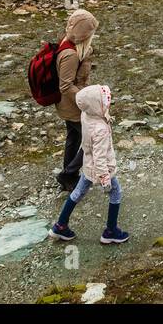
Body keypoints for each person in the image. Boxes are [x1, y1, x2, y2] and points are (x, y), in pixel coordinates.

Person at [50, 84, 129, 244]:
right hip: (102, 168)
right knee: (116, 192)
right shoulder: (100, 129)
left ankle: (60, 226)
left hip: (87, 164)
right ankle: (111, 231)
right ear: (96, 105)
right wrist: (105, 177)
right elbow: (100, 157)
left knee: (78, 193)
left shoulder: (86, 115)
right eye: (105, 102)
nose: (108, 104)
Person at [55, 8, 98, 192]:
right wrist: (87, 102)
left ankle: (69, 177)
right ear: (84, 34)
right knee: (92, 139)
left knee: (74, 137)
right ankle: (67, 174)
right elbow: (65, 85)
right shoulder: (71, 54)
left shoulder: (69, 45)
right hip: (73, 105)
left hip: (68, 104)